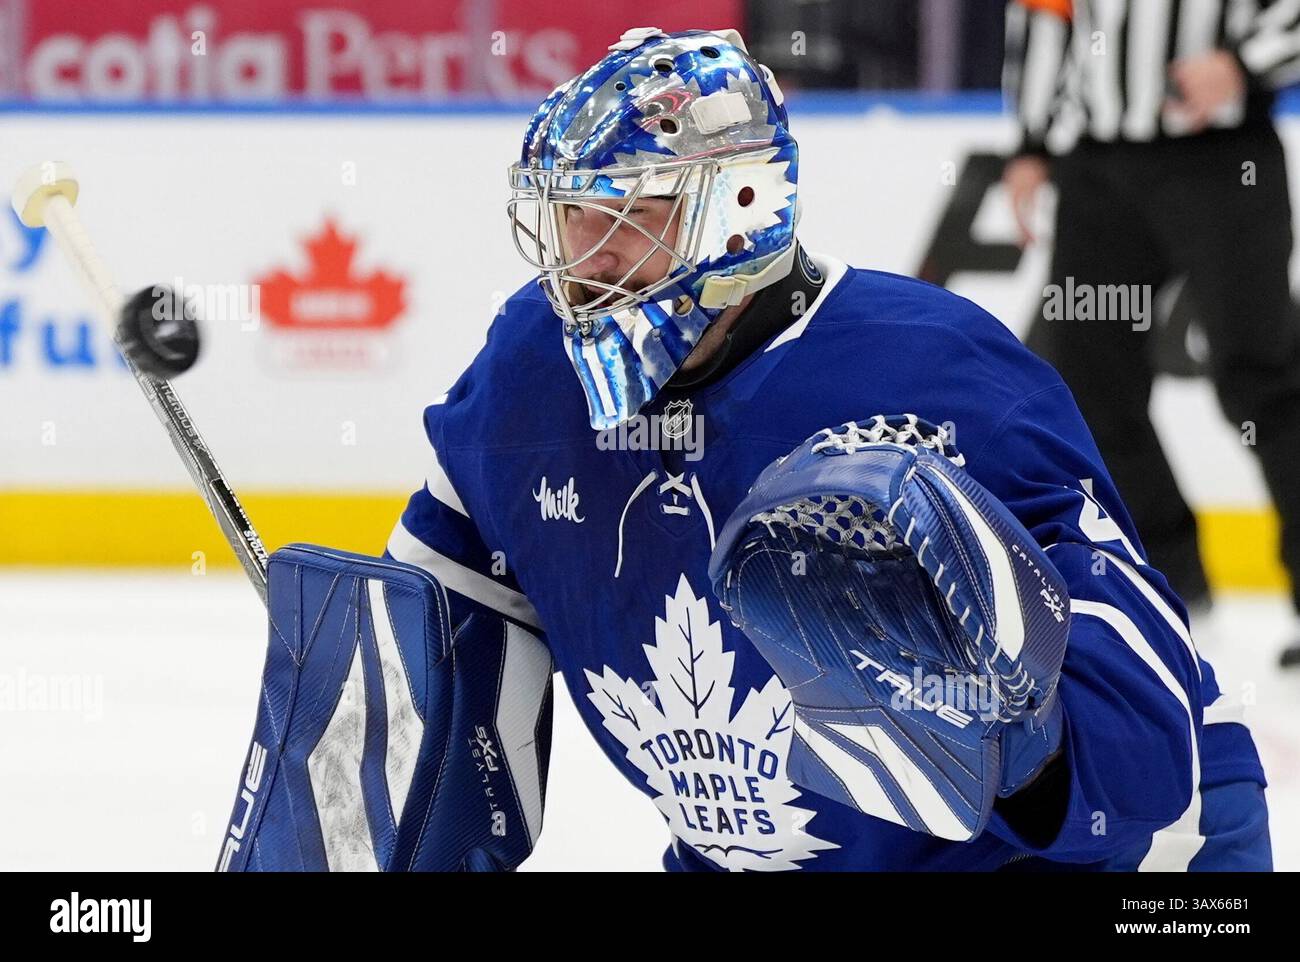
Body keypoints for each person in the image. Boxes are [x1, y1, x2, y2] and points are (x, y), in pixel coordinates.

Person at [377, 26, 1269, 871]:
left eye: (631, 216)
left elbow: (1156, 748)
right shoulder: (527, 374)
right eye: (570, 216)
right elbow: (422, 655)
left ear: (742, 210)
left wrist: (1008, 734)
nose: (586, 258)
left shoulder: (941, 379)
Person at [1003, 0, 1300, 667]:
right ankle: (1174, 587)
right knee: (1087, 385)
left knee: (1266, 382)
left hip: (1223, 159)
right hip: (1100, 167)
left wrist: (1242, 63)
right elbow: (1044, 13)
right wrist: (1030, 142)